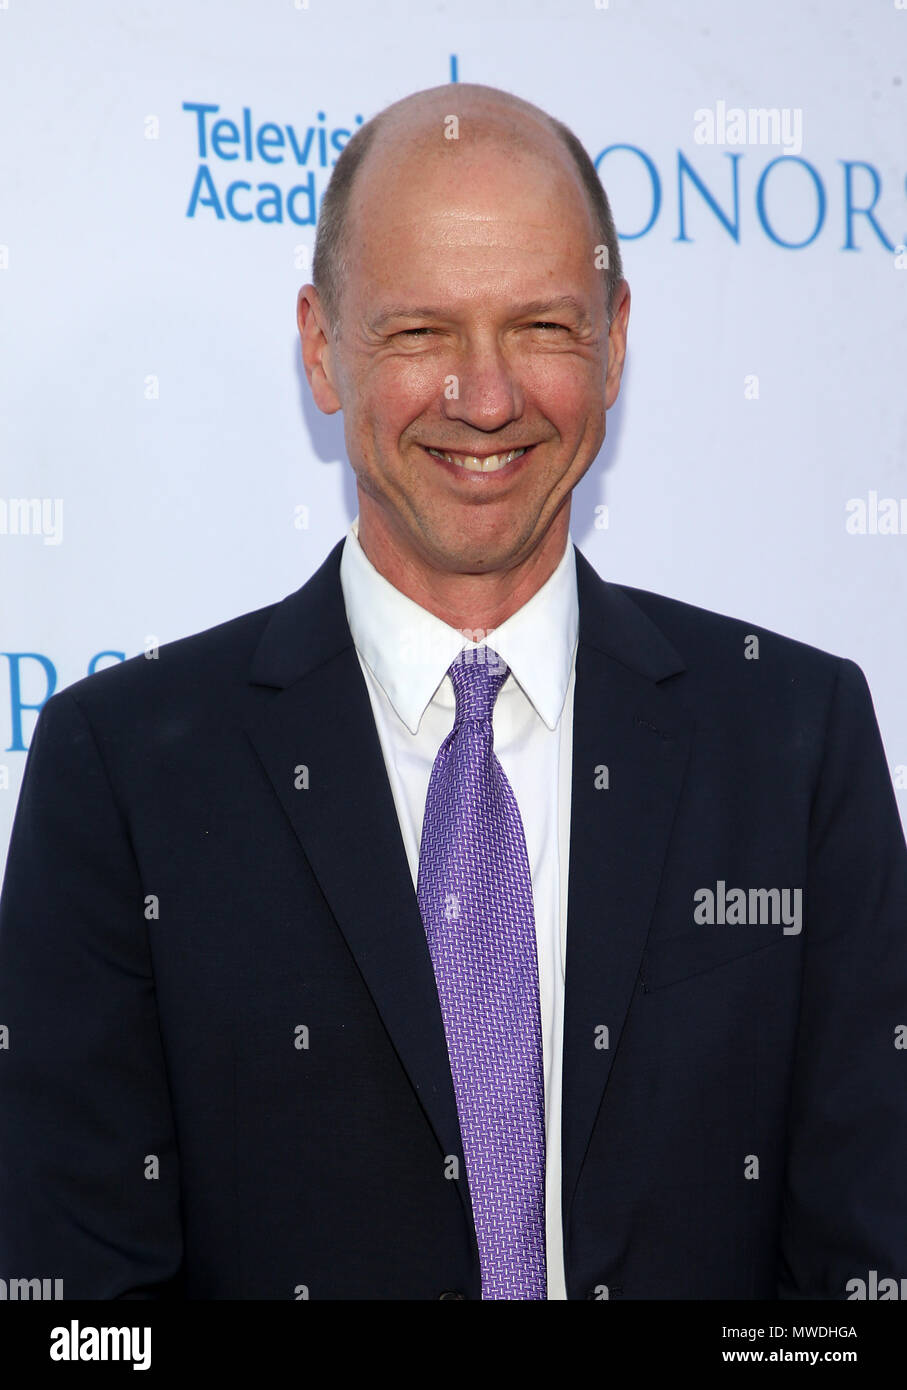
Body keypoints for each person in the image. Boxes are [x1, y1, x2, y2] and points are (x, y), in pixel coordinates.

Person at [1, 82, 905, 1301]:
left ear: (616, 339)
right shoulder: (125, 772)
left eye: (540, 326)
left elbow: (865, 1271)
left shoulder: (796, 742)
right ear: (323, 349)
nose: (485, 398)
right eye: (420, 332)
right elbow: (81, 1312)